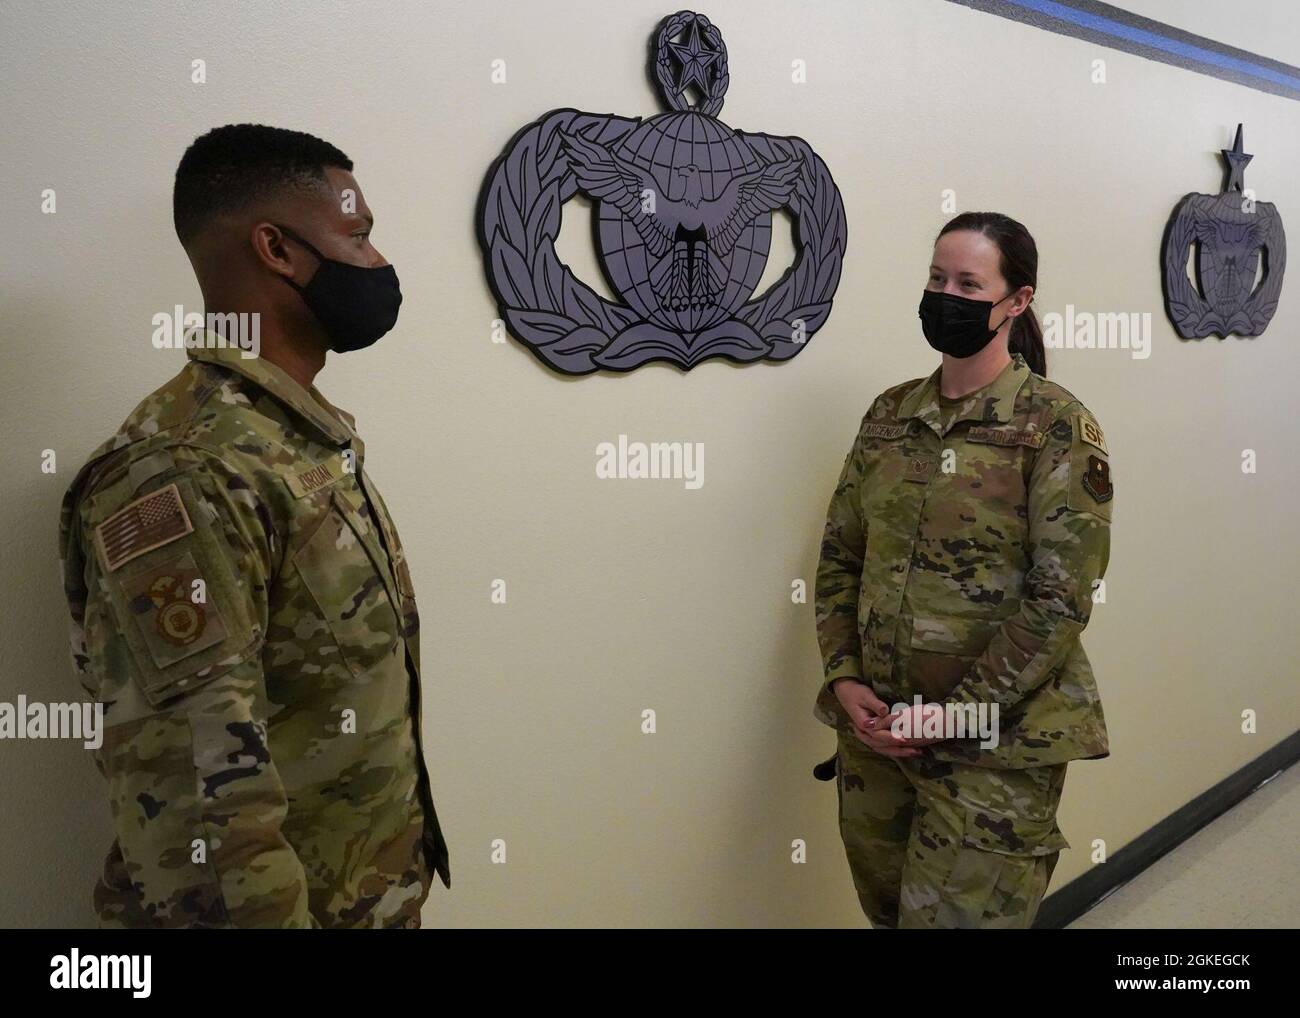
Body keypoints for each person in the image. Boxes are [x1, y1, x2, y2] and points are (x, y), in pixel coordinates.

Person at [57, 123, 449, 928]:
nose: (376, 262)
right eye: (358, 235)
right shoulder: (186, 465)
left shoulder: (290, 437)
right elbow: (201, 800)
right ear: (278, 250)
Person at [812, 211, 1112, 929]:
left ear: (1016, 301)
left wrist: (958, 711)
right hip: (879, 733)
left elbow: (1060, 598)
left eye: (969, 283)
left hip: (994, 744)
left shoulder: (1054, 426)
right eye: (937, 278)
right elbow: (840, 558)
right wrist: (845, 676)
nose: (947, 294)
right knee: (889, 915)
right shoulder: (889, 416)